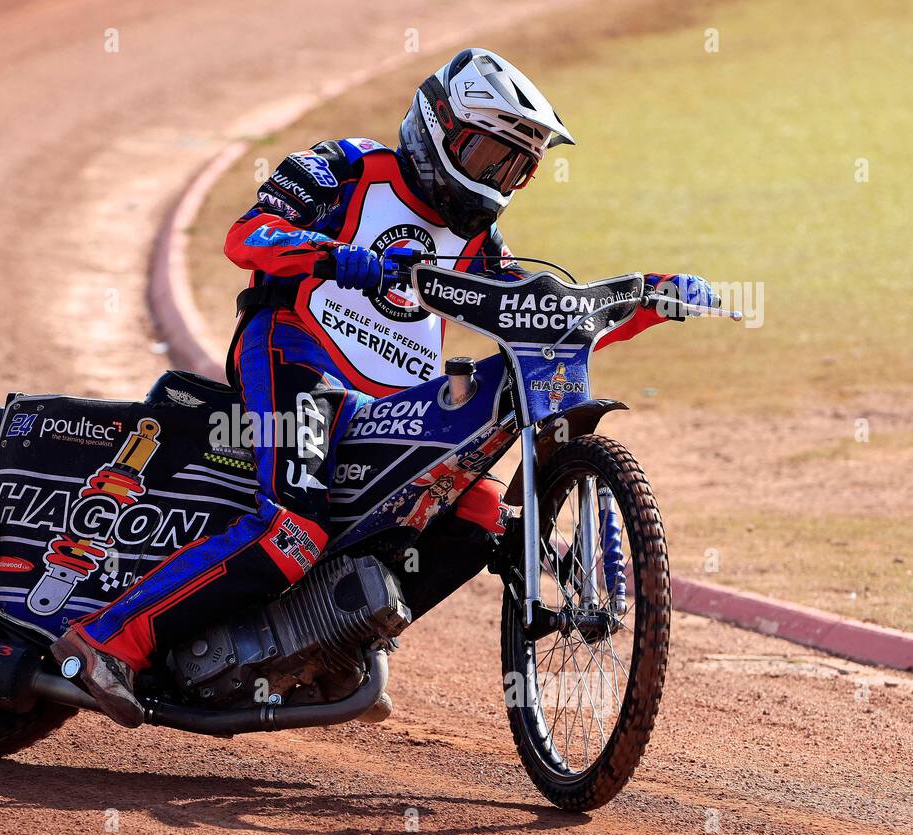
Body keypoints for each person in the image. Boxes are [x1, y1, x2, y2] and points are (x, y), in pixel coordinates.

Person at [52, 48, 718, 727]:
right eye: (491, 157)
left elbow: (541, 325)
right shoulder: (346, 164)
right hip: (296, 351)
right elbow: (247, 236)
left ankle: (330, 646)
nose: (500, 180)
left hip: (391, 403)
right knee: (292, 529)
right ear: (440, 125)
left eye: (517, 168)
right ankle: (107, 639)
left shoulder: (482, 243)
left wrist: (649, 301)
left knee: (482, 513)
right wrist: (339, 259)